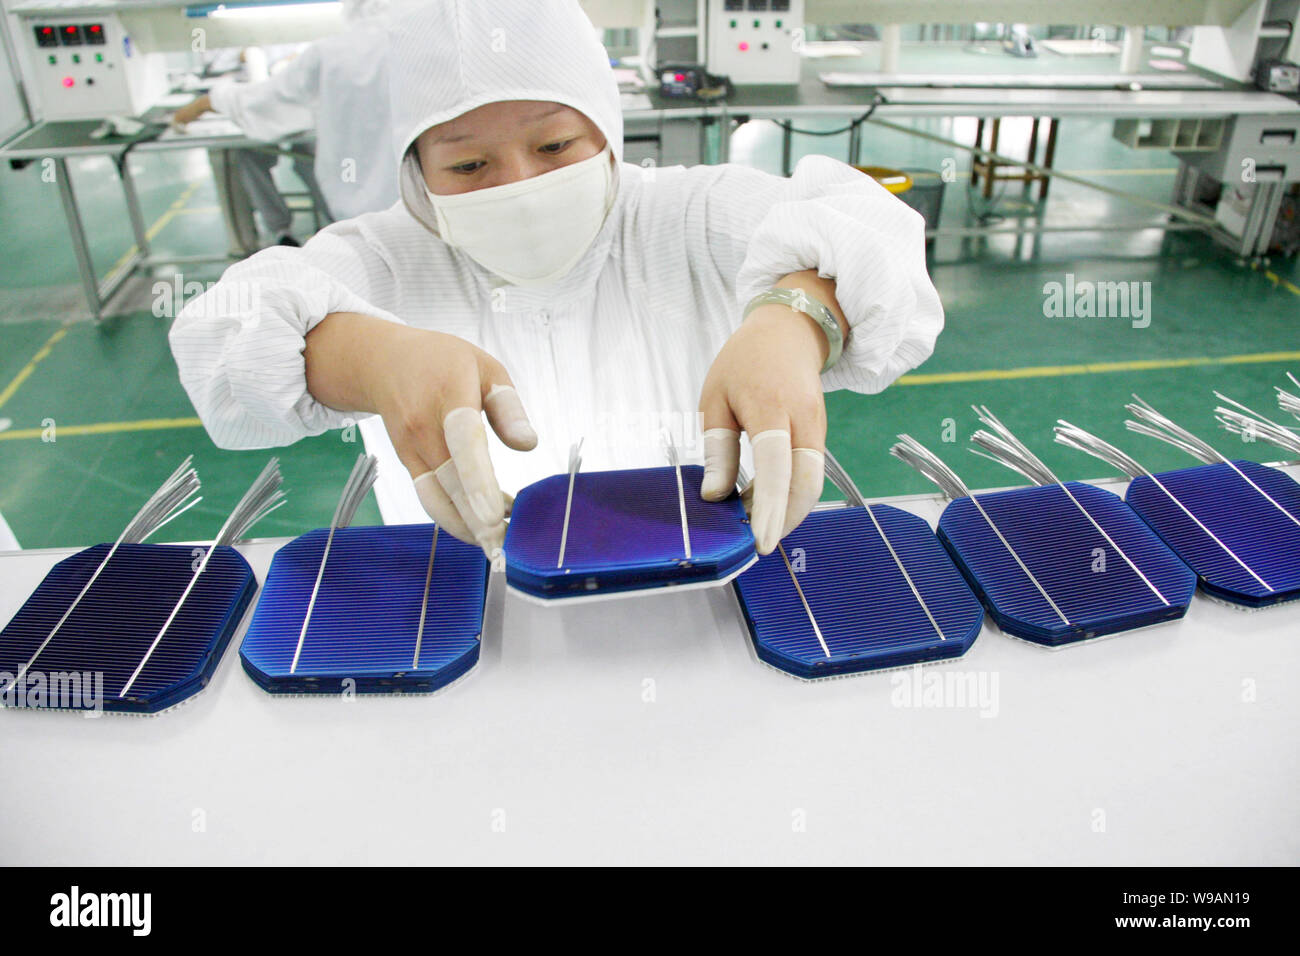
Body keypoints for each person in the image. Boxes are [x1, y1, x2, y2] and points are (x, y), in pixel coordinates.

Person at [169, 0, 943, 562]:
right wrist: (367, 357)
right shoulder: (382, 259)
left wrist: (793, 317)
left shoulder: (686, 214)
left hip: (711, 585)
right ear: (414, 169)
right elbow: (225, 338)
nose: (518, 183)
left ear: (606, 130)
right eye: (468, 164)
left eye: (555, 144)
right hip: (475, 608)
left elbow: (868, 231)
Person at [170, 0, 407, 231]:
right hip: (426, 209)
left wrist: (211, 101)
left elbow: (266, 102)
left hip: (365, 214)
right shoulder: (425, 39)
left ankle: (278, 227)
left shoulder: (333, 53)